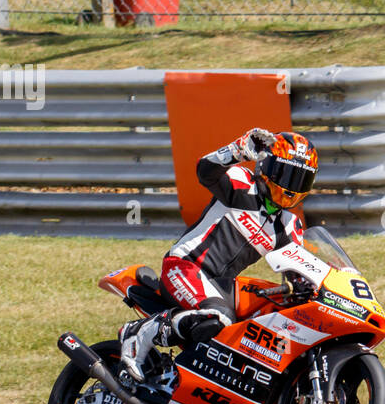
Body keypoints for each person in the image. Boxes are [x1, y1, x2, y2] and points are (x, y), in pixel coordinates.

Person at [118, 127, 319, 382]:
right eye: (288, 175)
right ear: (269, 168)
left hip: (220, 286)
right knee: (218, 317)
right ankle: (140, 333)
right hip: (185, 266)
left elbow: (298, 270)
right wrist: (236, 150)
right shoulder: (241, 184)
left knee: (257, 325)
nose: (292, 186)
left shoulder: (290, 227)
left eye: (301, 179)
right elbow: (205, 170)